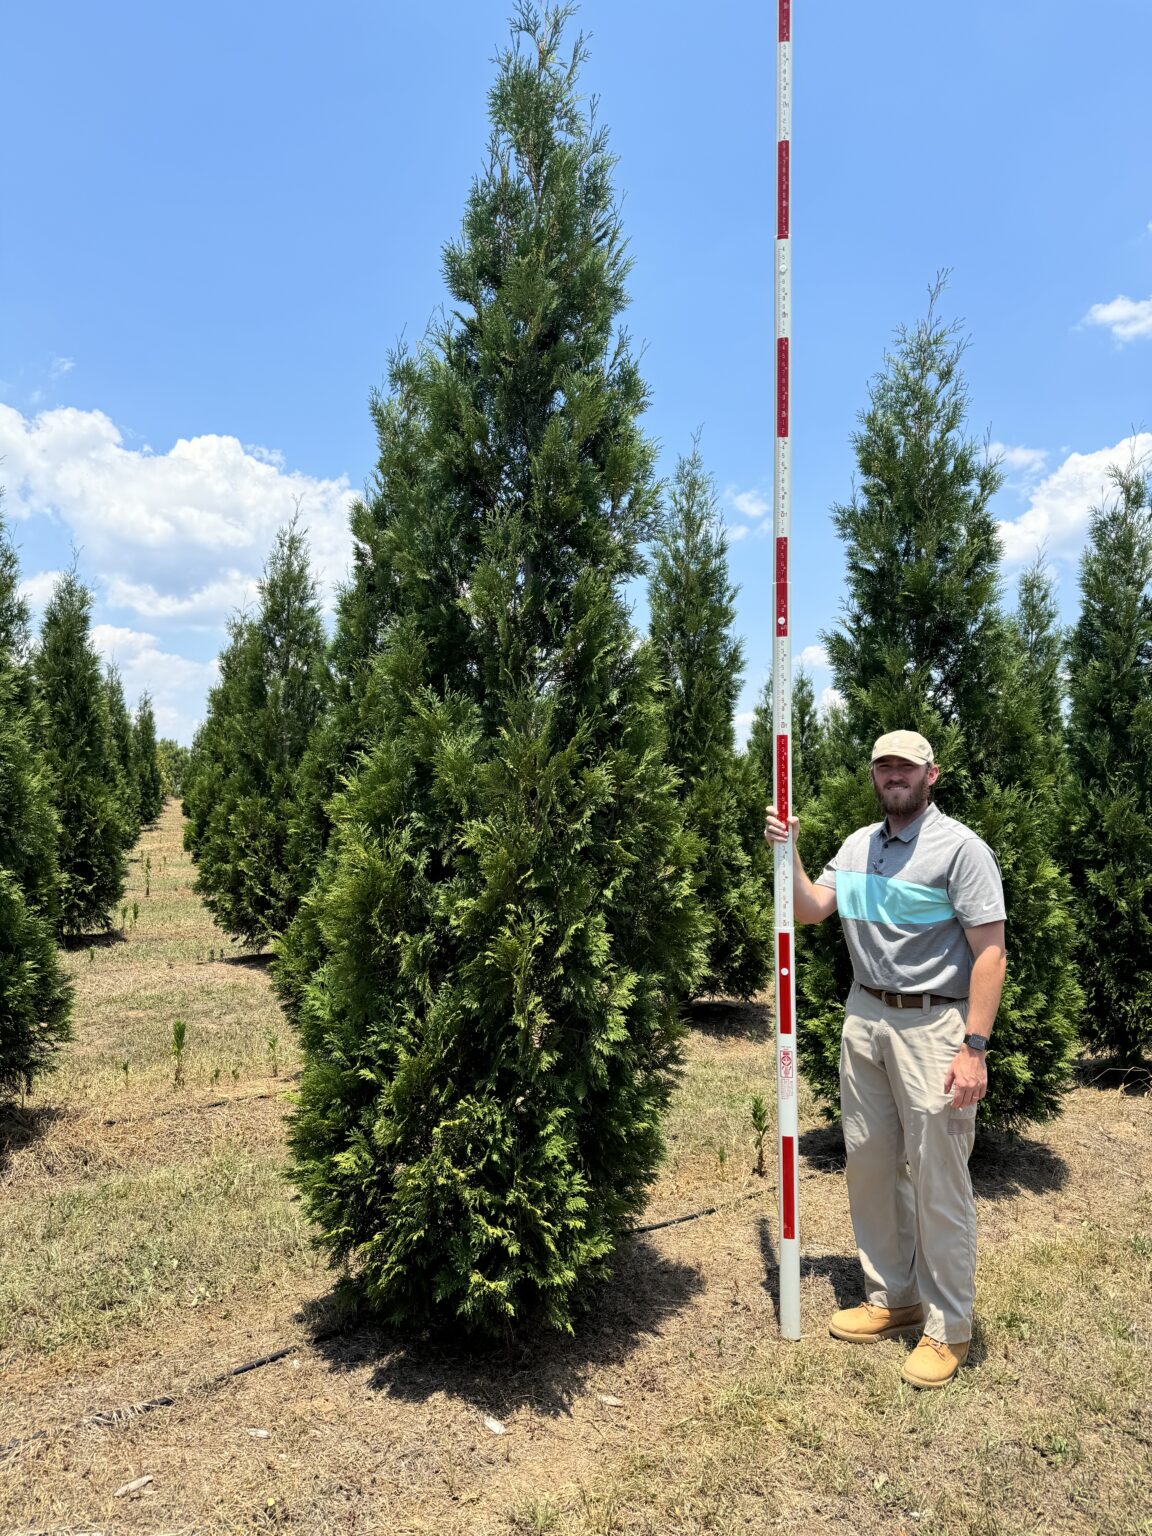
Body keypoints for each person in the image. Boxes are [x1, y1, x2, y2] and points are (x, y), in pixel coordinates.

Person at [764, 729, 1006, 1388]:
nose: (894, 775)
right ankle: (893, 1297)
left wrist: (974, 1048)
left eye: (907, 766)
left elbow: (990, 952)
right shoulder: (858, 845)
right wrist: (789, 855)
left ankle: (948, 1326)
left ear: (931, 775)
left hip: (935, 1025)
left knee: (938, 1180)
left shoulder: (961, 850)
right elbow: (813, 908)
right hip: (865, 1017)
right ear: (875, 776)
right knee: (869, 1164)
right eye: (884, 766)